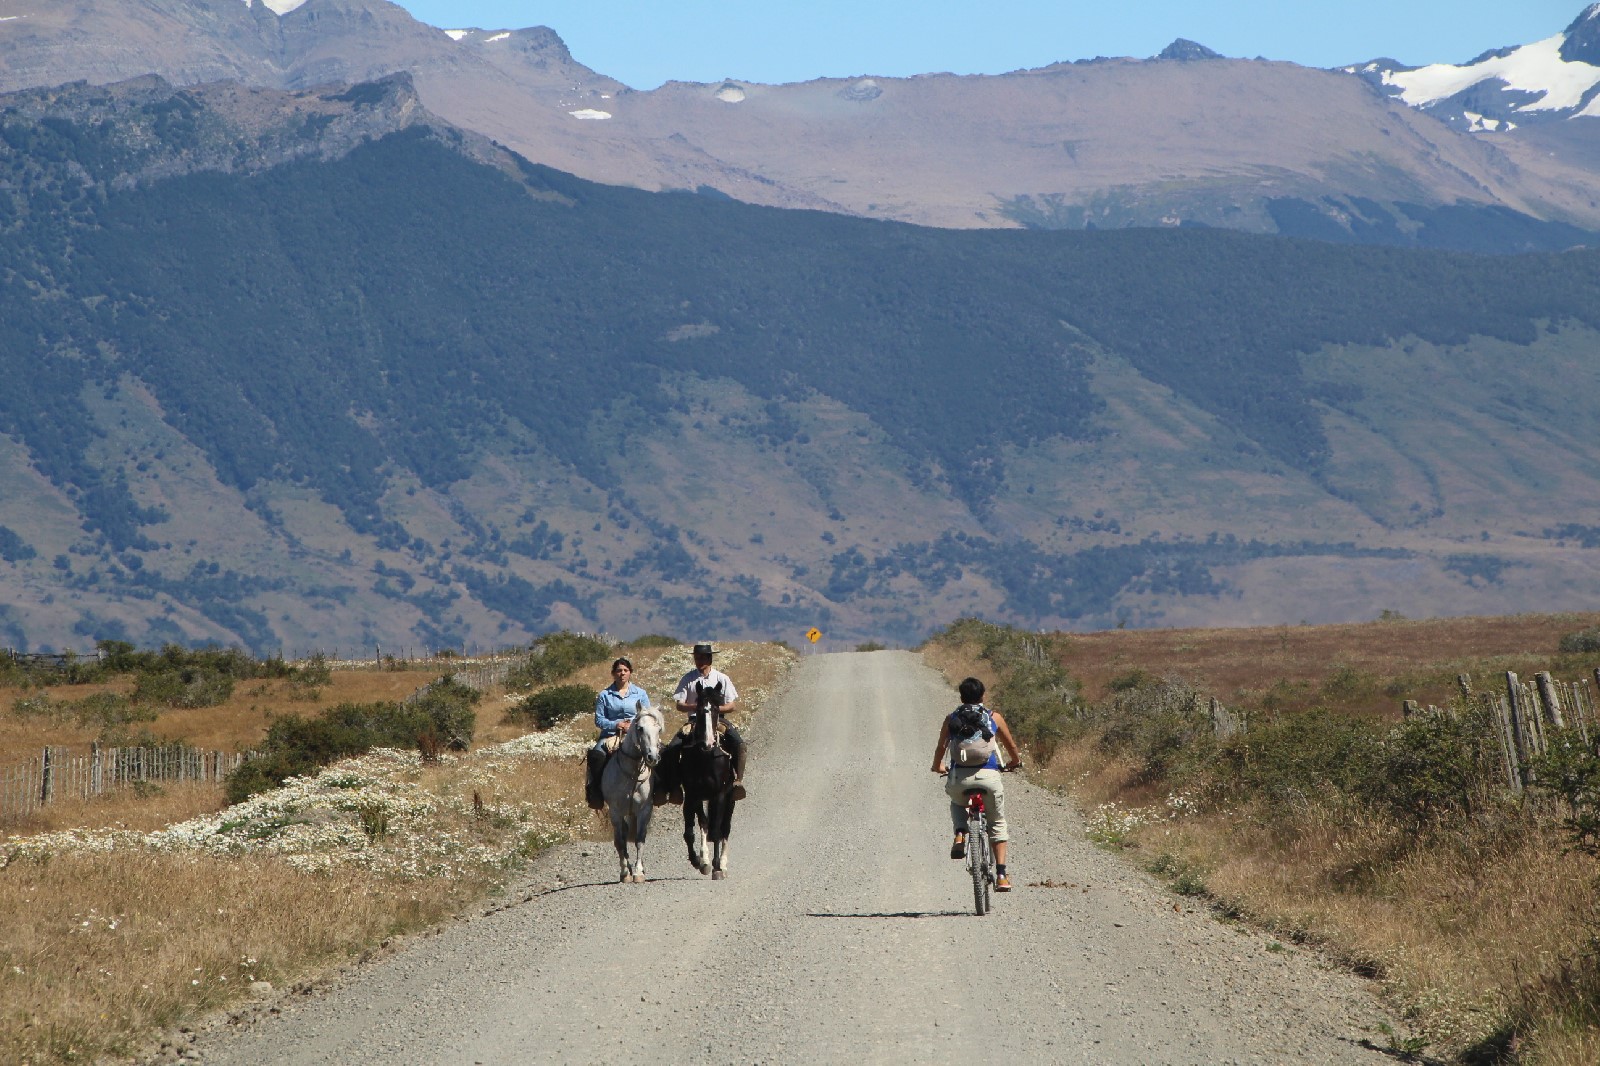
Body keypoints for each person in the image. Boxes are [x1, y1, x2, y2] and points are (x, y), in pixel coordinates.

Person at [931, 676, 1023, 890]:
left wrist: (938, 766)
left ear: (961, 697)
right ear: (983, 695)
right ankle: (1001, 876)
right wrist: (1015, 762)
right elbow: (1011, 746)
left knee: (956, 802)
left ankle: (961, 833)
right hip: (989, 777)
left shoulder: (951, 717)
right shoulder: (993, 717)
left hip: (959, 778)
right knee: (997, 823)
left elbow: (940, 749)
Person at [656, 642, 747, 803]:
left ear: (709, 658)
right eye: (697, 657)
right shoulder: (688, 678)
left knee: (739, 744)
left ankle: (737, 781)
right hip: (694, 720)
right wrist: (697, 707)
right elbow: (679, 704)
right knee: (672, 748)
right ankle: (675, 786)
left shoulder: (721, 678)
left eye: (703, 657)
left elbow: (732, 705)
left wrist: (714, 709)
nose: (699, 660)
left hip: (718, 719)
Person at [585, 657, 651, 810]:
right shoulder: (604, 695)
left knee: (656, 750)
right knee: (596, 755)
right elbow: (599, 720)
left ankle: (659, 789)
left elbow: (647, 714)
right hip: (610, 735)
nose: (622, 673)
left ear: (630, 673)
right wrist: (617, 724)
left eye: (625, 670)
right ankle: (595, 792)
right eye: (619, 671)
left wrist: (633, 725)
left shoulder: (640, 693)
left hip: (636, 734)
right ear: (613, 674)